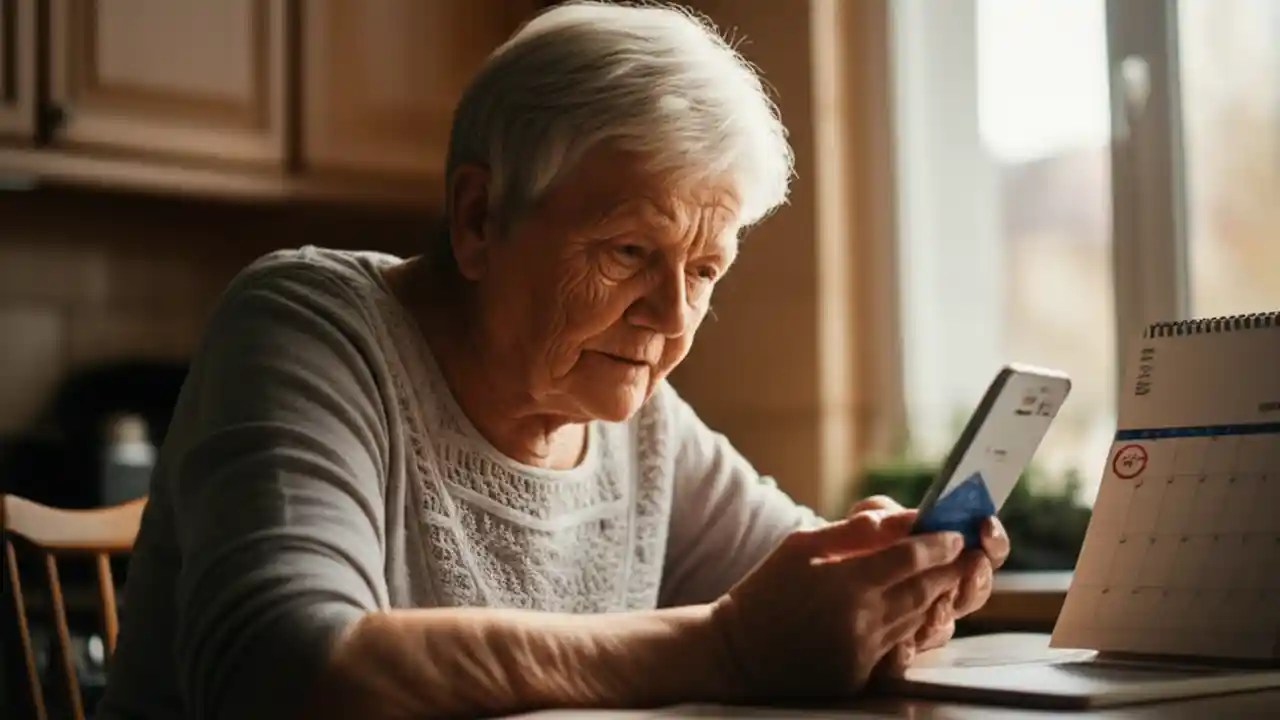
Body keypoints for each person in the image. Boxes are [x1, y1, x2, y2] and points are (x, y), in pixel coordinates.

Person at [98, 3, 1008, 719]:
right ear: (479, 218)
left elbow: (792, 605)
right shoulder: (312, 323)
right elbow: (282, 668)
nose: (672, 316)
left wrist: (886, 590)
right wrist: (725, 647)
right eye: (626, 254)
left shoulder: (639, 421)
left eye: (704, 269)